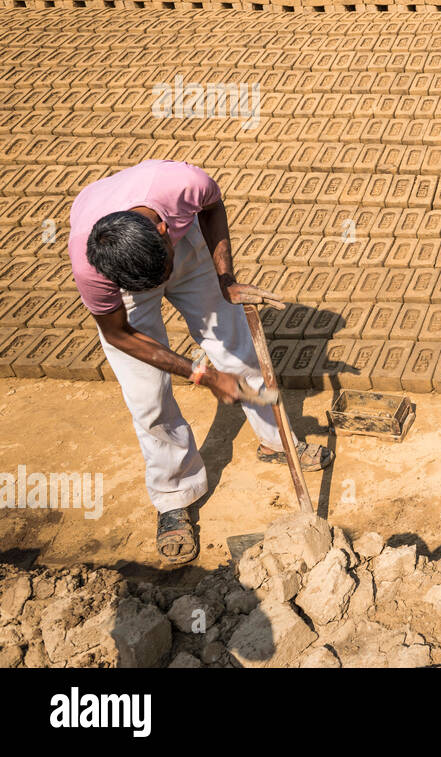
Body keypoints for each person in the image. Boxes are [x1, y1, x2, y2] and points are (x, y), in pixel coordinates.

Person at [69, 159, 333, 566]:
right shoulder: (95, 267)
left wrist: (225, 276)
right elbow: (120, 334)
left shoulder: (181, 185)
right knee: (148, 398)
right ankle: (175, 494)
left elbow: (213, 208)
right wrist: (202, 374)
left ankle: (276, 442)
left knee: (237, 350)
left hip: (185, 249)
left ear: (164, 229)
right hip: (133, 268)